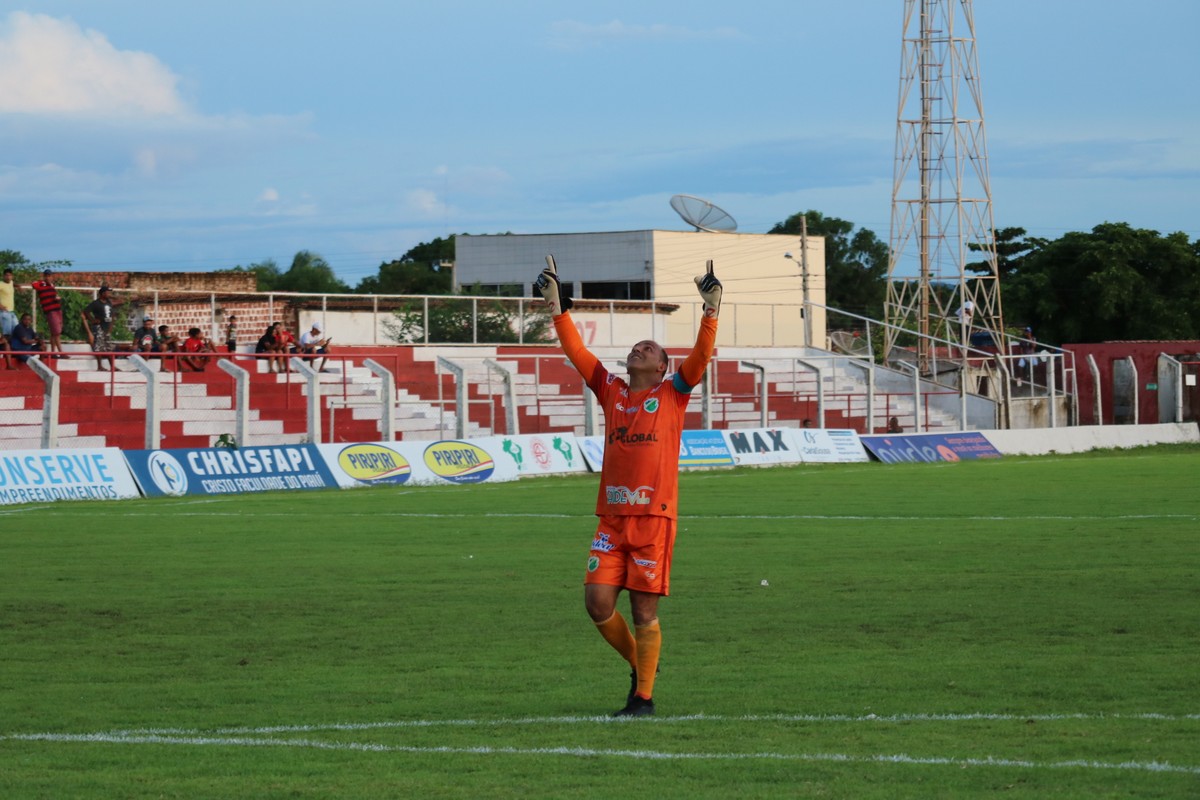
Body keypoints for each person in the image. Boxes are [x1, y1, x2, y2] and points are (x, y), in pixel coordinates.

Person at [536, 255, 721, 718]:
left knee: (644, 615)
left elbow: (700, 359)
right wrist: (558, 309)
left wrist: (711, 312)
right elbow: (578, 353)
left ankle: (642, 698)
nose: (640, 349)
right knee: (596, 604)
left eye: (649, 348)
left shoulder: (673, 394)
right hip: (612, 520)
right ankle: (644, 669)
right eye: (636, 345)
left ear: (662, 368)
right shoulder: (611, 390)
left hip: (653, 520)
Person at [82, 285, 116, 370]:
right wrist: (92, 320)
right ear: (102, 293)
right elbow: (86, 311)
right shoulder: (96, 303)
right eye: (107, 292)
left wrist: (111, 325)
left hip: (107, 327)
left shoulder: (109, 302)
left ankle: (112, 366)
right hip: (99, 327)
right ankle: (99, 366)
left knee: (109, 347)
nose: (108, 294)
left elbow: (112, 314)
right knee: (99, 347)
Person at [30, 269, 63, 356]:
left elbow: (54, 296)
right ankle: (61, 352)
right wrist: (42, 282)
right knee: (57, 332)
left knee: (54, 332)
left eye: (50, 276)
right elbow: (34, 284)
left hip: (57, 309)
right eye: (47, 276)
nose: (48, 278)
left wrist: (58, 299)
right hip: (50, 311)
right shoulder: (41, 284)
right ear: (44, 276)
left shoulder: (52, 285)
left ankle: (53, 352)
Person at [0, 267, 16, 337]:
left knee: (16, 328)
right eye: (6, 275)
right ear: (3, 276)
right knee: (7, 332)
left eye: (9, 275)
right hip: (4, 312)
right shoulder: (1, 284)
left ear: (12, 276)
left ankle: (13, 347)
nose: (8, 277)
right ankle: (5, 347)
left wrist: (19, 286)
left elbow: (13, 284)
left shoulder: (11, 282)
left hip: (11, 311)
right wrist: (0, 306)